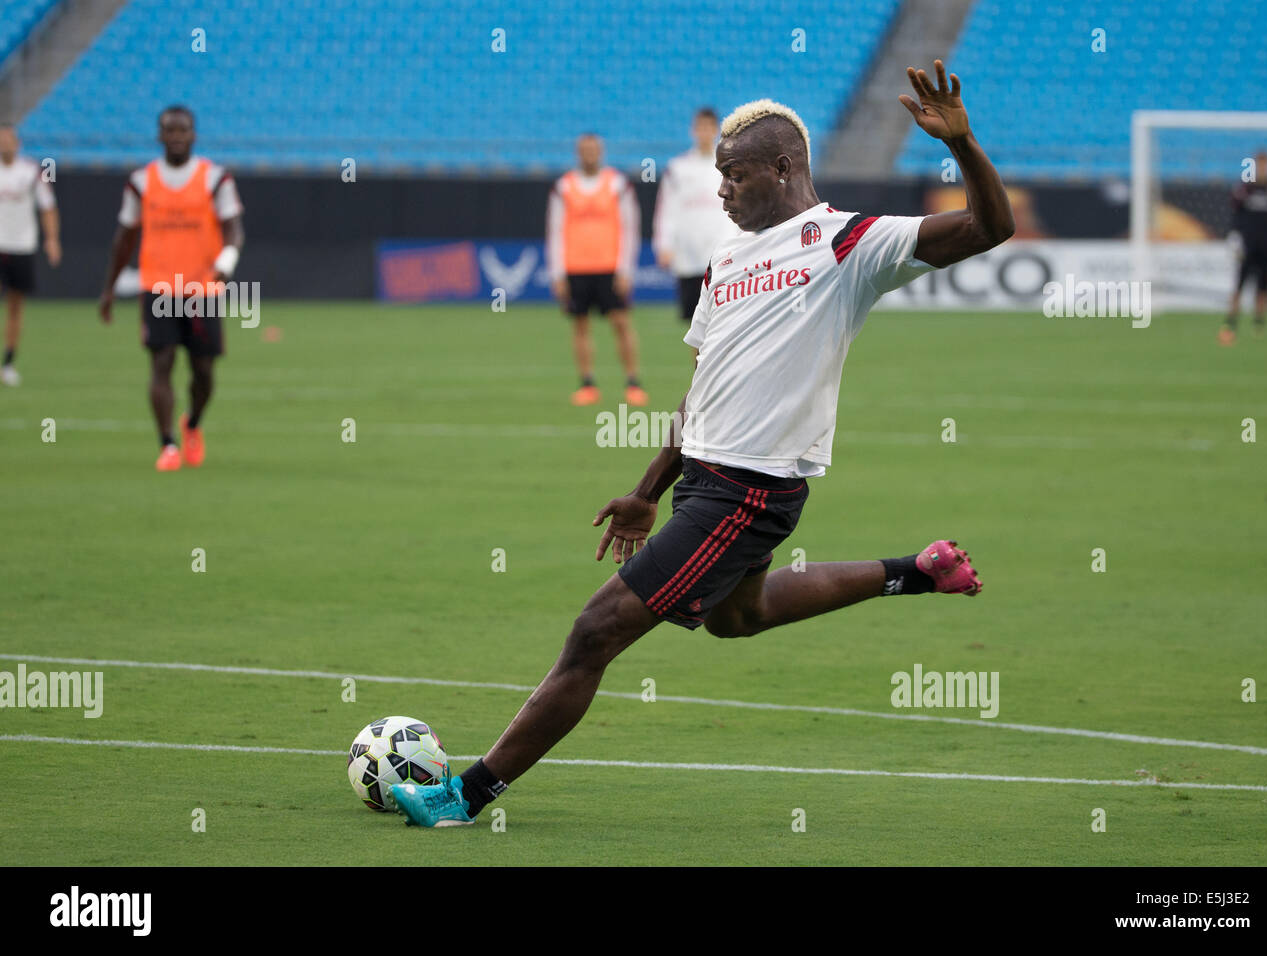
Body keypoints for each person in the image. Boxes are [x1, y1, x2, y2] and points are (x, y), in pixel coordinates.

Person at [392, 60, 1014, 827]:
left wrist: (964, 145)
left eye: (734, 175)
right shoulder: (726, 259)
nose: (719, 190)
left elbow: (992, 228)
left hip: (749, 491)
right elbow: (704, 388)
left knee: (595, 632)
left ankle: (465, 796)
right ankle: (914, 573)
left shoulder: (847, 243)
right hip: (707, 483)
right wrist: (649, 490)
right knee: (736, 617)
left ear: (783, 169)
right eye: (718, 176)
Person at [98, 105, 244, 471]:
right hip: (160, 287)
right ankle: (167, 445)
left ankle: (192, 423)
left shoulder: (215, 178)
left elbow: (234, 229)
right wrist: (109, 287)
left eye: (184, 130)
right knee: (161, 362)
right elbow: (125, 237)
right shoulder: (142, 181)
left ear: (194, 135)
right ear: (160, 136)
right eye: (170, 130)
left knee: (204, 371)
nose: (177, 137)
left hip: (202, 289)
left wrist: (226, 262)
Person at [546, 133, 646, 407]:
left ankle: (633, 382)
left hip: (610, 267)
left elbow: (630, 228)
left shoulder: (617, 184)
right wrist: (557, 273)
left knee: (621, 323)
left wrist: (626, 269)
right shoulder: (563, 187)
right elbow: (554, 230)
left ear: (600, 152)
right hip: (576, 267)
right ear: (578, 153)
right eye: (584, 149)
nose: (589, 154)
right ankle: (587, 384)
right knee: (580, 325)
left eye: (593, 149)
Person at [652, 107, 736, 340]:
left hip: (723, 255)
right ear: (693, 130)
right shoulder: (678, 168)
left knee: (725, 322)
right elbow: (667, 210)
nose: (704, 132)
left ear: (716, 130)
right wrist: (664, 245)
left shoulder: (729, 166)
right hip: (689, 257)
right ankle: (702, 376)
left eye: (709, 127)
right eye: (700, 127)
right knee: (697, 328)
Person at [0, 122, 61, 386]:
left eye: (8, 139)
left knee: (15, 307)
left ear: (17, 143)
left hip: (22, 246)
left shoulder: (33, 172)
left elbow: (48, 207)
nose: (4, 144)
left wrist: (52, 239)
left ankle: (9, 362)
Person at [1220, 149, 1267, 345]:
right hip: (1248, 244)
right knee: (1239, 284)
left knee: (1264, 286)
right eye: (1259, 164)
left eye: (1265, 164)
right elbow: (1236, 214)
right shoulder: (1245, 188)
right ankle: (1231, 323)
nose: (1263, 168)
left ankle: (1259, 324)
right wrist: (1234, 235)